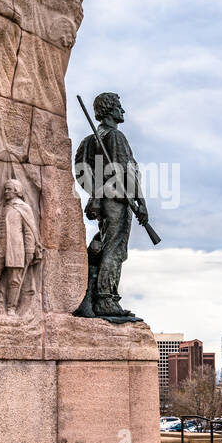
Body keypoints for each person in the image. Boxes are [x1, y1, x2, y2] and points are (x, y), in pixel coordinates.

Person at [74, 92, 147, 318]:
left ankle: (97, 296)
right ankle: (106, 298)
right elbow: (128, 170)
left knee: (105, 246)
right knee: (115, 248)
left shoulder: (91, 140)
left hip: (105, 200)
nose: (122, 111)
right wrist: (141, 202)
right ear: (109, 110)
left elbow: (80, 170)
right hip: (117, 200)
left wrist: (96, 192)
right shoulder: (115, 136)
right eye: (119, 107)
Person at [0, 179, 42, 314]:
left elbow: (29, 231)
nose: (6, 192)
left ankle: (11, 307)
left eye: (9, 189)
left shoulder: (23, 207)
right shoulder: (0, 208)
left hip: (16, 247)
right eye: (5, 189)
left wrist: (29, 251)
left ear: (17, 191)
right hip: (0, 245)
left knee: (14, 279)